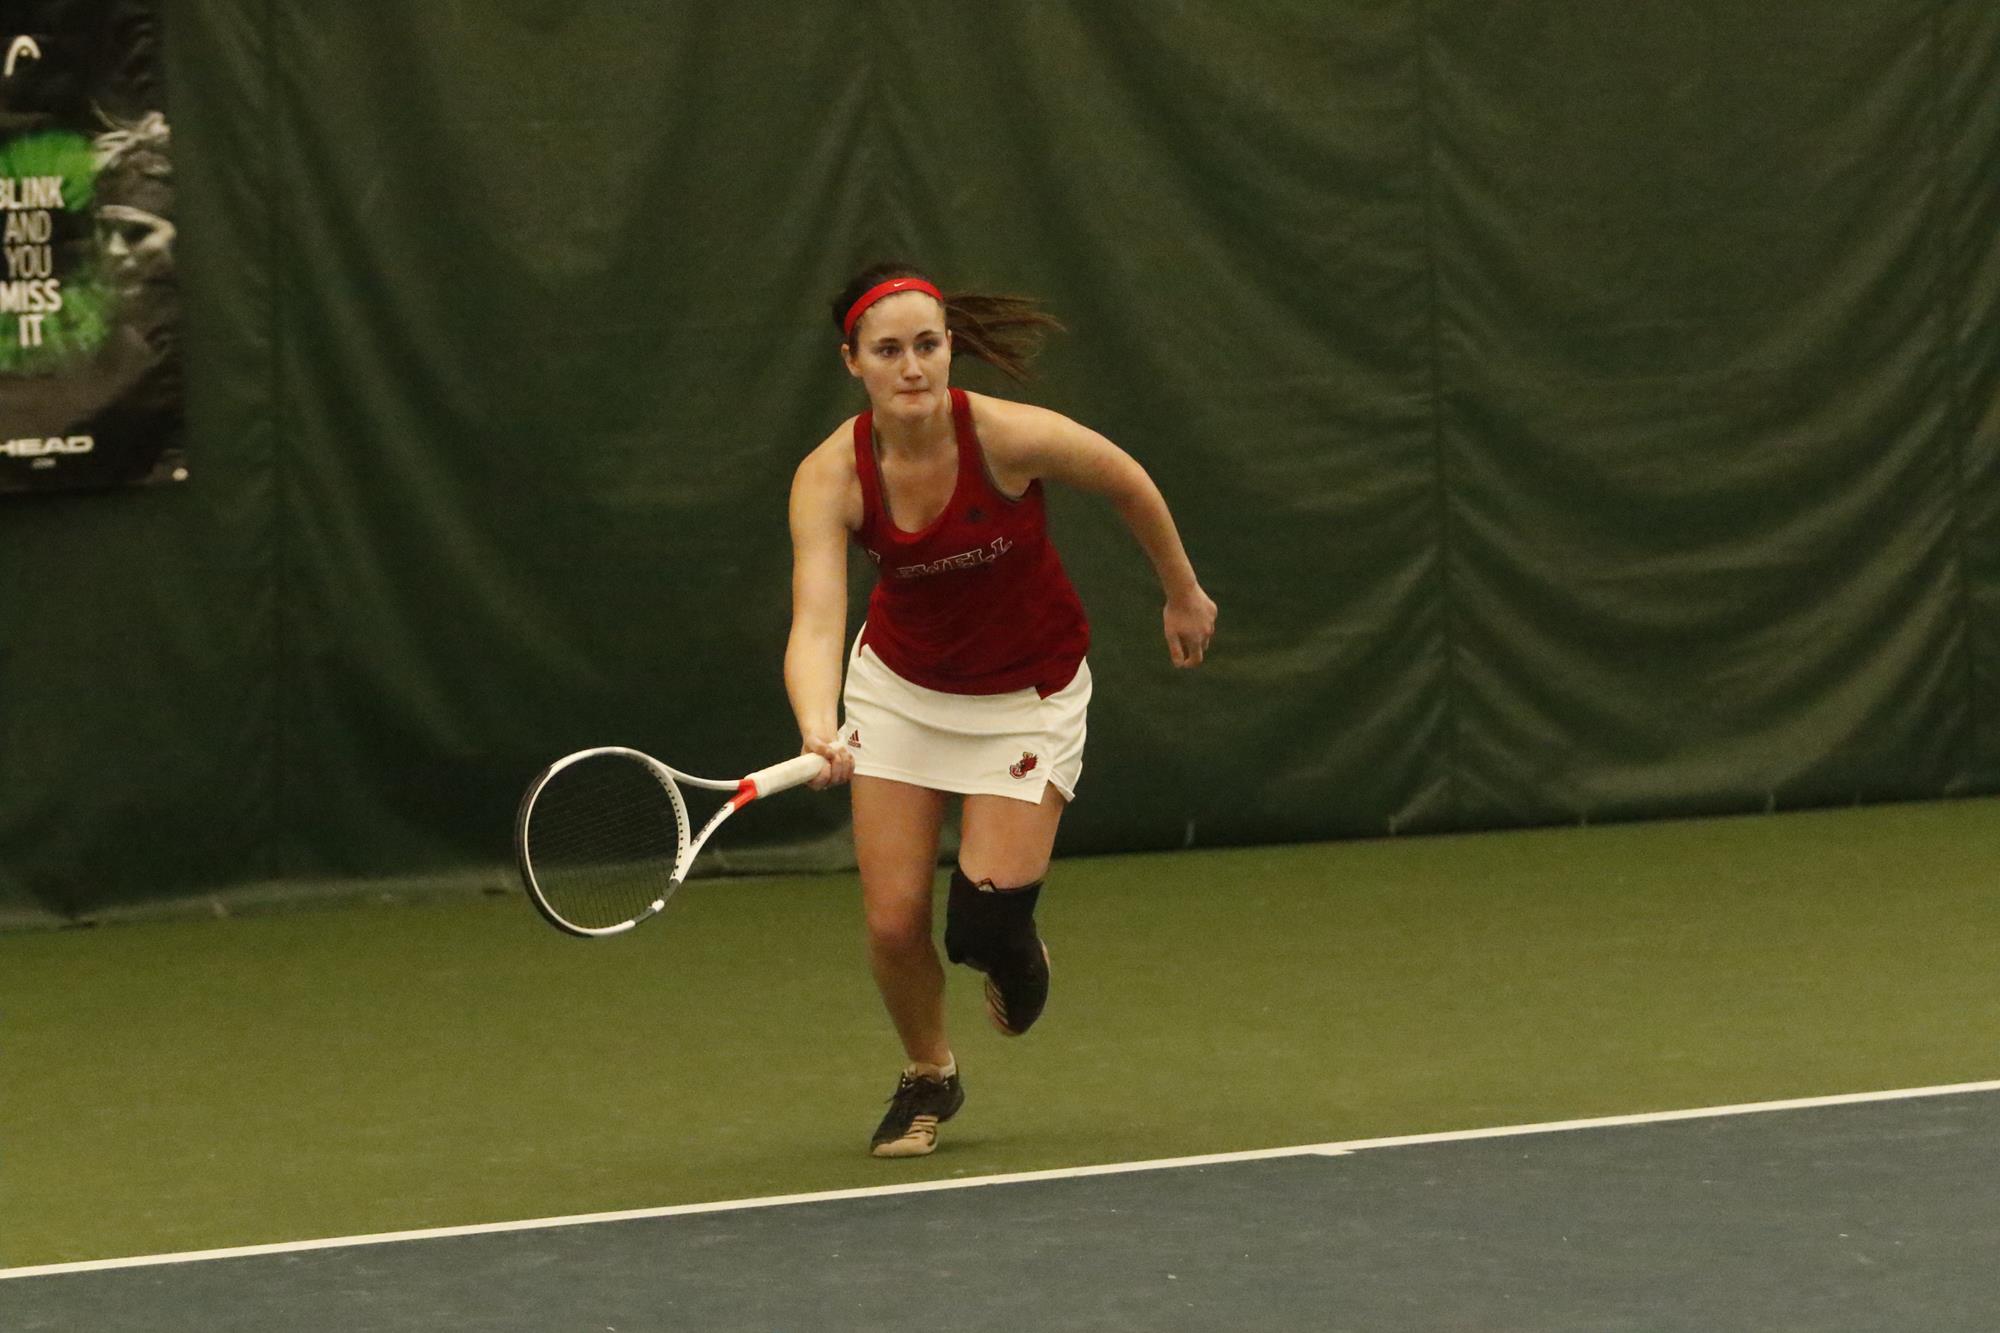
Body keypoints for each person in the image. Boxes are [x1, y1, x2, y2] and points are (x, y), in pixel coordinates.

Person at [785, 262, 1217, 1157]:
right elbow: (817, 618)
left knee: (980, 929)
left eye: (929, 346)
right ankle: (930, 1073)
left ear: (949, 351)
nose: (913, 367)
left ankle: (1016, 945)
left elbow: (1126, 479)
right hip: (901, 692)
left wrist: (1182, 591)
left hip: (1030, 694)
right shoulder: (831, 476)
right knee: (894, 920)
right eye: (889, 351)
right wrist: (816, 724)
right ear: (853, 363)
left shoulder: (1008, 436)